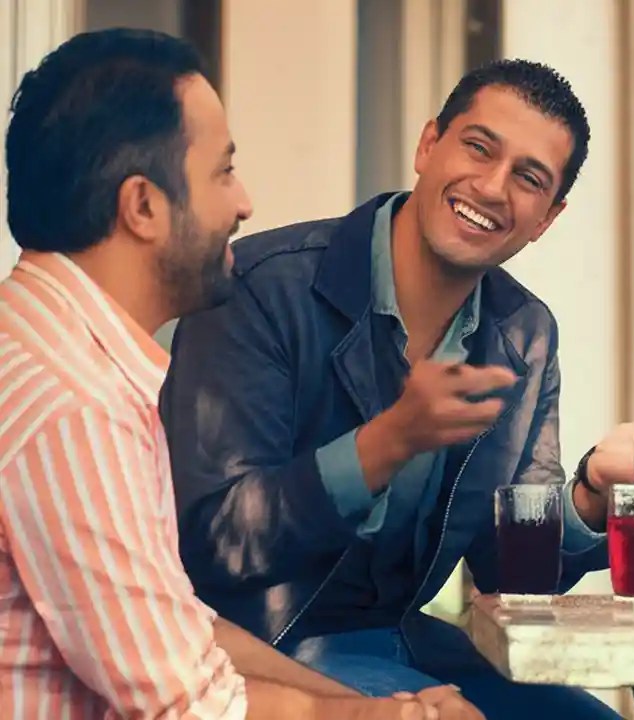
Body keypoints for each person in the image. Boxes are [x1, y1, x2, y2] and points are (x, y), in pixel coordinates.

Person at [159, 58, 634, 719]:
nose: (490, 186)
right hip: (263, 655)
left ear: (548, 216)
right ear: (429, 145)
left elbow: (508, 576)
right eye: (478, 148)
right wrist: (386, 442)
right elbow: (217, 541)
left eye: (528, 178)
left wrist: (596, 491)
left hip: (415, 646)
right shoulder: (263, 289)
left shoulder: (524, 332)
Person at [0, 28, 480, 720]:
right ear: (142, 207)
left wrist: (375, 705)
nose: (245, 202)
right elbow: (192, 708)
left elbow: (179, 626)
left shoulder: (49, 344)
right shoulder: (75, 405)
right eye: (222, 172)